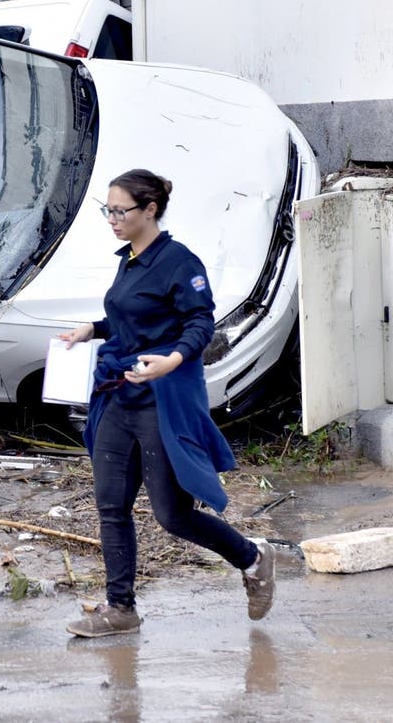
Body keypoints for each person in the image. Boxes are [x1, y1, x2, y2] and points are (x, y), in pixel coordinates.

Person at [59, 169, 275, 638]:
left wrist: (171, 360)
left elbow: (200, 325)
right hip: (120, 397)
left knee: (171, 515)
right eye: (108, 211)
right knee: (111, 506)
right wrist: (92, 331)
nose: (112, 219)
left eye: (120, 211)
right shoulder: (130, 259)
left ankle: (253, 559)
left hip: (161, 400)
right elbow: (130, 318)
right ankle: (121, 610)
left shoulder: (180, 262)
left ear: (150, 210)